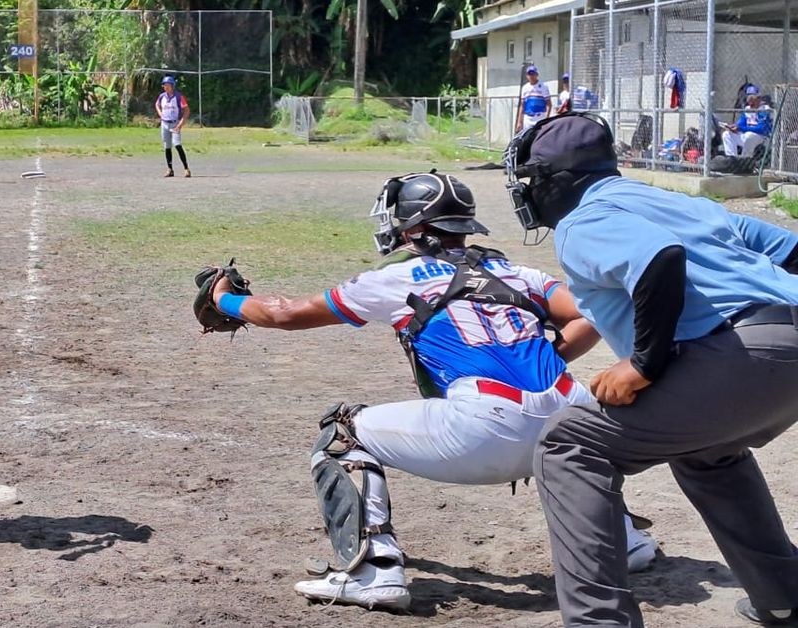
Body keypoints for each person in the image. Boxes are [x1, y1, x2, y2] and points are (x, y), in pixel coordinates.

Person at [208, 171, 659, 612]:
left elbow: (285, 314)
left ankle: (374, 571)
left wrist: (222, 299)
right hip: (573, 424)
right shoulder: (517, 272)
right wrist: (544, 356)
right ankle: (621, 540)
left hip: (486, 431)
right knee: (561, 408)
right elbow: (594, 312)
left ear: (416, 227)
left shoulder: (393, 277)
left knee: (342, 431)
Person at [505, 112, 798, 627]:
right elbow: (791, 250)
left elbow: (658, 259)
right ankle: (784, 597)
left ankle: (599, 623)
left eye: (532, 178)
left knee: (570, 443)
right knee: (704, 452)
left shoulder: (580, 221)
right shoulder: (675, 200)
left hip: (744, 352)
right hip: (777, 342)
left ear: (558, 180)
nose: (528, 191)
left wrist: (643, 364)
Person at [722, 83, 773, 159]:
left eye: (752, 99)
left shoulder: (764, 109)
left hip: (762, 137)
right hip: (747, 134)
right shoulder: (748, 109)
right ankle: (732, 159)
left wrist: (741, 128)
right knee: (726, 134)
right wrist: (734, 127)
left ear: (759, 98)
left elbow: (761, 128)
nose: (750, 102)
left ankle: (745, 160)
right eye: (748, 99)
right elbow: (741, 122)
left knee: (749, 136)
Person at [155, 76, 190, 178]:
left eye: (168, 85)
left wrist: (180, 124)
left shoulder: (179, 97)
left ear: (172, 86)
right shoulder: (162, 96)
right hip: (165, 123)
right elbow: (157, 104)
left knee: (177, 145)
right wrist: (161, 114)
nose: (166, 87)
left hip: (175, 123)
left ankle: (186, 168)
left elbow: (187, 110)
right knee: (167, 147)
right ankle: (170, 169)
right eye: (164, 85)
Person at [515, 65, 551, 133]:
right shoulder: (525, 88)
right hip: (528, 119)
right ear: (527, 76)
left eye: (533, 74)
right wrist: (519, 122)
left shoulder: (544, 86)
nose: (531, 76)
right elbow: (522, 106)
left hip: (540, 118)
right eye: (529, 74)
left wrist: (546, 118)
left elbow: (549, 104)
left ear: (537, 75)